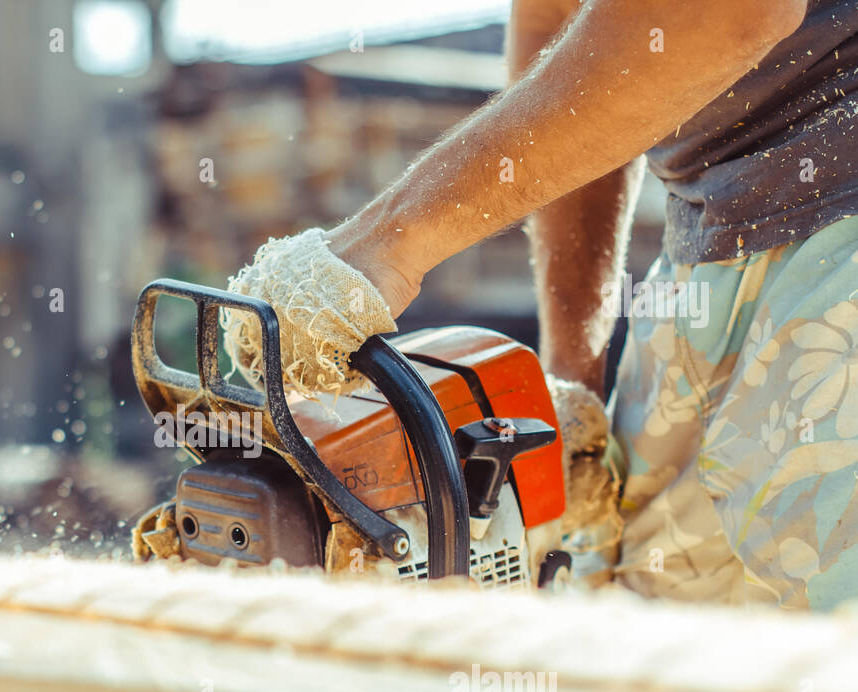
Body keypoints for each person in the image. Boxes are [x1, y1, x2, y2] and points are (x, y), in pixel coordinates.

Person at [227, 0, 858, 609]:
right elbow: (560, 23)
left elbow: (731, 13)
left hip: (840, 236)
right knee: (641, 619)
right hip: (707, 246)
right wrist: (566, 385)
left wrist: (385, 244)